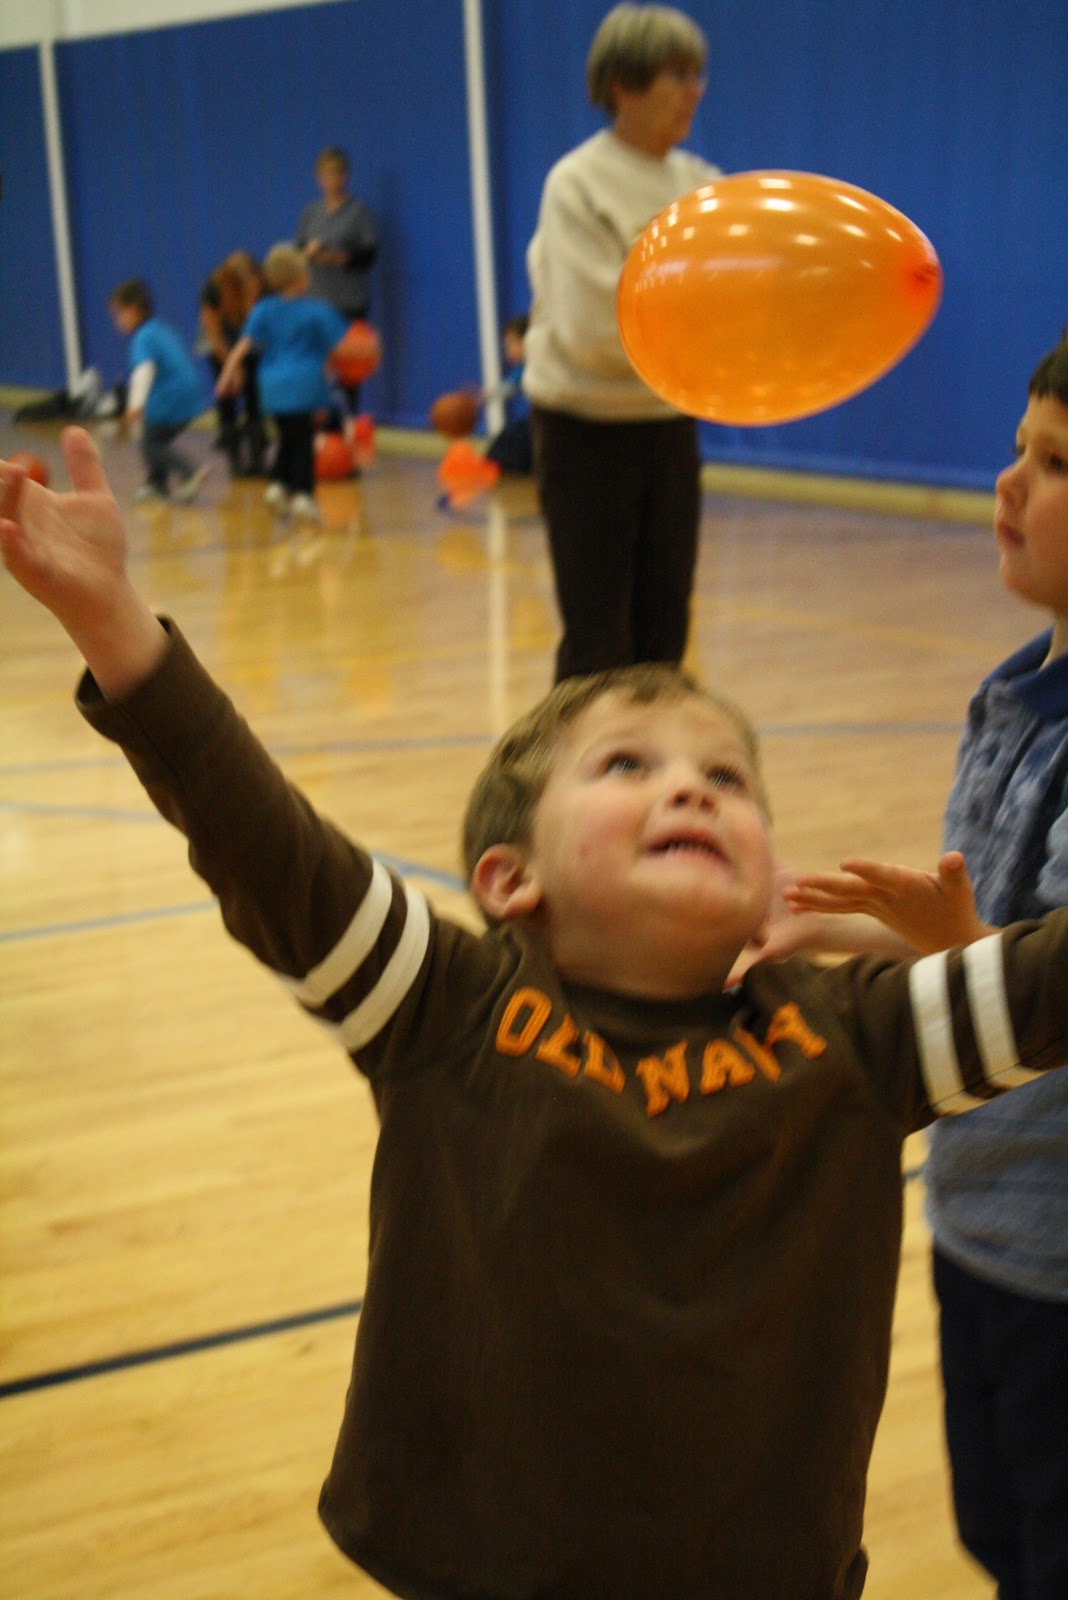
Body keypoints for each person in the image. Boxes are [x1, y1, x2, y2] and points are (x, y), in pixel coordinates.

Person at [4, 428, 1068, 1600]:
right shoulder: (449, 1008)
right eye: (626, 766)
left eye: (727, 781)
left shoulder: (859, 1032)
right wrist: (115, 623)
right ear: (511, 880)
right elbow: (265, 844)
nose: (689, 786)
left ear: (769, 871)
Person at [743, 335, 1068, 1600]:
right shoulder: (1012, 694)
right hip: (977, 1215)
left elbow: (1020, 976)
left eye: (1054, 464)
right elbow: (967, 936)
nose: (1008, 482)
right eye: (1017, 448)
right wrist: (816, 922)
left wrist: (959, 953)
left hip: (1058, 1252)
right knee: (999, 1535)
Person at [522, 3, 719, 683]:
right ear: (622, 86)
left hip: (667, 428)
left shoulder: (703, 186)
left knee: (665, 634)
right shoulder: (576, 184)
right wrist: (698, 328)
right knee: (598, 643)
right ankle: (575, 783)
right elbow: (593, 333)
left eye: (698, 73)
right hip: (584, 433)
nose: (694, 89)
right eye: (675, 74)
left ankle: (649, 780)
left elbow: (739, 310)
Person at [216, 242, 349, 525]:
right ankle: (303, 495)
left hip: (273, 387)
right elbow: (342, 348)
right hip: (305, 384)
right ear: (302, 277)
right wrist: (369, 350)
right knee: (302, 440)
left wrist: (227, 374)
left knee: (288, 435)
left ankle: (278, 486)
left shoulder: (263, 309)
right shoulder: (316, 311)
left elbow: (242, 346)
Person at [295, 146, 378, 422]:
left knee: (349, 369)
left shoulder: (358, 212)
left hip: (347, 301)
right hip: (316, 300)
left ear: (346, 177)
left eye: (337, 174)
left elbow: (367, 256)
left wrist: (335, 257)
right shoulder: (311, 213)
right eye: (326, 175)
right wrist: (309, 253)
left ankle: (349, 423)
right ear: (319, 178)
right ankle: (322, 424)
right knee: (319, 366)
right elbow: (299, 249)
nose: (332, 181)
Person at [108, 278, 209, 504]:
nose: (117, 322)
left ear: (134, 310)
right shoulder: (160, 329)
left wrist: (135, 406)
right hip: (189, 394)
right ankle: (156, 485)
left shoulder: (143, 337)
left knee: (150, 444)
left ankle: (190, 472)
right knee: (153, 437)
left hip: (171, 397)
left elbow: (144, 371)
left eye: (119, 314)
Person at [198, 251, 268, 477]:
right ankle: (235, 461)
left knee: (255, 398)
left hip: (250, 343)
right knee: (227, 399)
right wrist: (232, 368)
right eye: (245, 285)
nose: (252, 287)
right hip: (220, 345)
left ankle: (258, 460)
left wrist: (250, 300)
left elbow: (257, 329)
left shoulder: (263, 287)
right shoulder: (213, 288)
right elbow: (214, 334)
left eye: (254, 283)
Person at [485, 313, 533, 476]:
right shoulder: (522, 369)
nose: (507, 351)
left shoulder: (536, 366)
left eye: (511, 344)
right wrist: (486, 396)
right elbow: (508, 388)